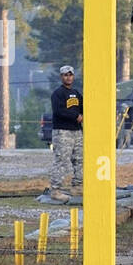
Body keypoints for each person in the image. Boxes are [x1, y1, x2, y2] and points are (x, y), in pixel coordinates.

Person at [49, 65, 83, 202]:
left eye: (70, 74)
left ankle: (78, 186)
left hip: (77, 131)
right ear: (61, 77)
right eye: (65, 75)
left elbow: (83, 107)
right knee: (61, 160)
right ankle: (55, 190)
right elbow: (59, 111)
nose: (68, 77)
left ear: (73, 76)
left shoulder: (76, 93)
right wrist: (76, 116)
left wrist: (82, 115)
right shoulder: (58, 93)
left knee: (79, 159)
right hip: (62, 132)